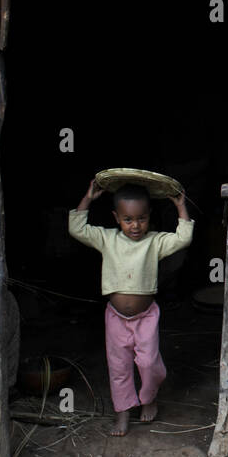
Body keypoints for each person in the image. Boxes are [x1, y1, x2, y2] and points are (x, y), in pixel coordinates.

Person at [69, 179, 193, 436]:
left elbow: (184, 238)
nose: (135, 225)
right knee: (119, 367)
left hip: (146, 317)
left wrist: (181, 206)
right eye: (128, 219)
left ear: (149, 217)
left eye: (141, 219)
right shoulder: (107, 239)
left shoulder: (154, 242)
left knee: (149, 363)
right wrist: (88, 198)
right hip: (116, 318)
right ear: (116, 217)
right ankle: (123, 413)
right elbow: (76, 228)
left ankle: (149, 397)